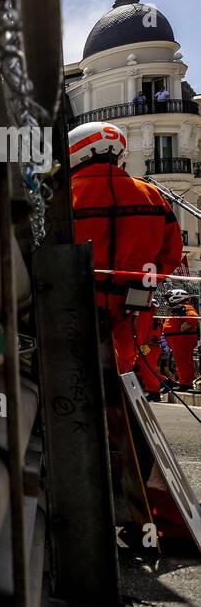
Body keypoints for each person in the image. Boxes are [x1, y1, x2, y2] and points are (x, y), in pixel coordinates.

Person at [70, 120, 183, 400]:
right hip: (133, 307)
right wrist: (145, 279)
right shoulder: (152, 195)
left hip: (76, 304)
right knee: (119, 378)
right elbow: (172, 253)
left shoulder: (65, 196)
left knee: (75, 379)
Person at [162, 289, 199, 390]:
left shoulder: (185, 307)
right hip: (178, 339)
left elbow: (193, 317)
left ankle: (186, 384)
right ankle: (184, 382)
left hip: (182, 339)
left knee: (184, 362)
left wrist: (184, 326)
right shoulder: (179, 308)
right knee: (181, 362)